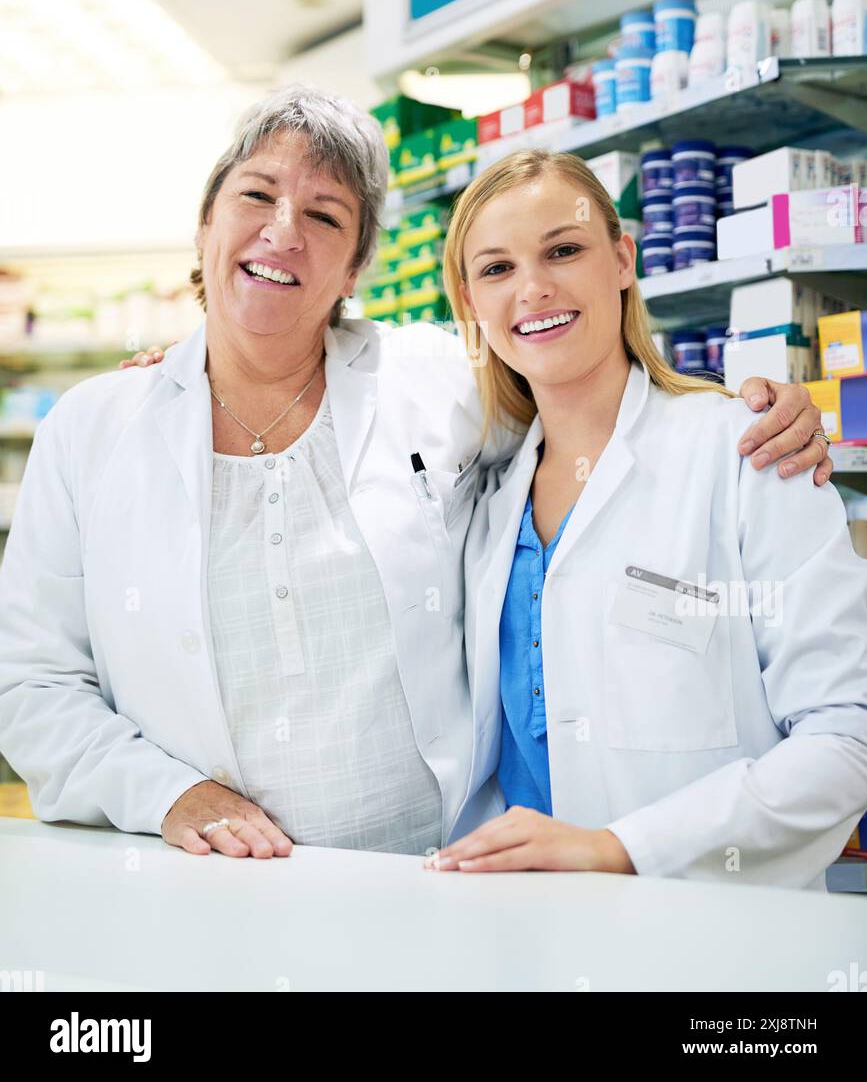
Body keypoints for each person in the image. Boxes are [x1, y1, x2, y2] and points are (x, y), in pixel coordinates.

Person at [0, 83, 828, 862]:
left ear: (356, 267)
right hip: (207, 881)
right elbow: (31, 684)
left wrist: (753, 408)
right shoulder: (94, 429)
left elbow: (586, 386)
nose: (283, 231)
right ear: (204, 224)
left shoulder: (439, 382)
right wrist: (165, 795)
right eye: (255, 196)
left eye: (324, 216)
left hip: (433, 881)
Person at [428, 147, 867, 889]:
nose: (532, 289)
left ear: (622, 259)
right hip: (520, 927)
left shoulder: (748, 451)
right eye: (496, 269)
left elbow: (846, 733)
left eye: (562, 251)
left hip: (713, 941)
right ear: (470, 302)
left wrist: (622, 847)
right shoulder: (485, 501)